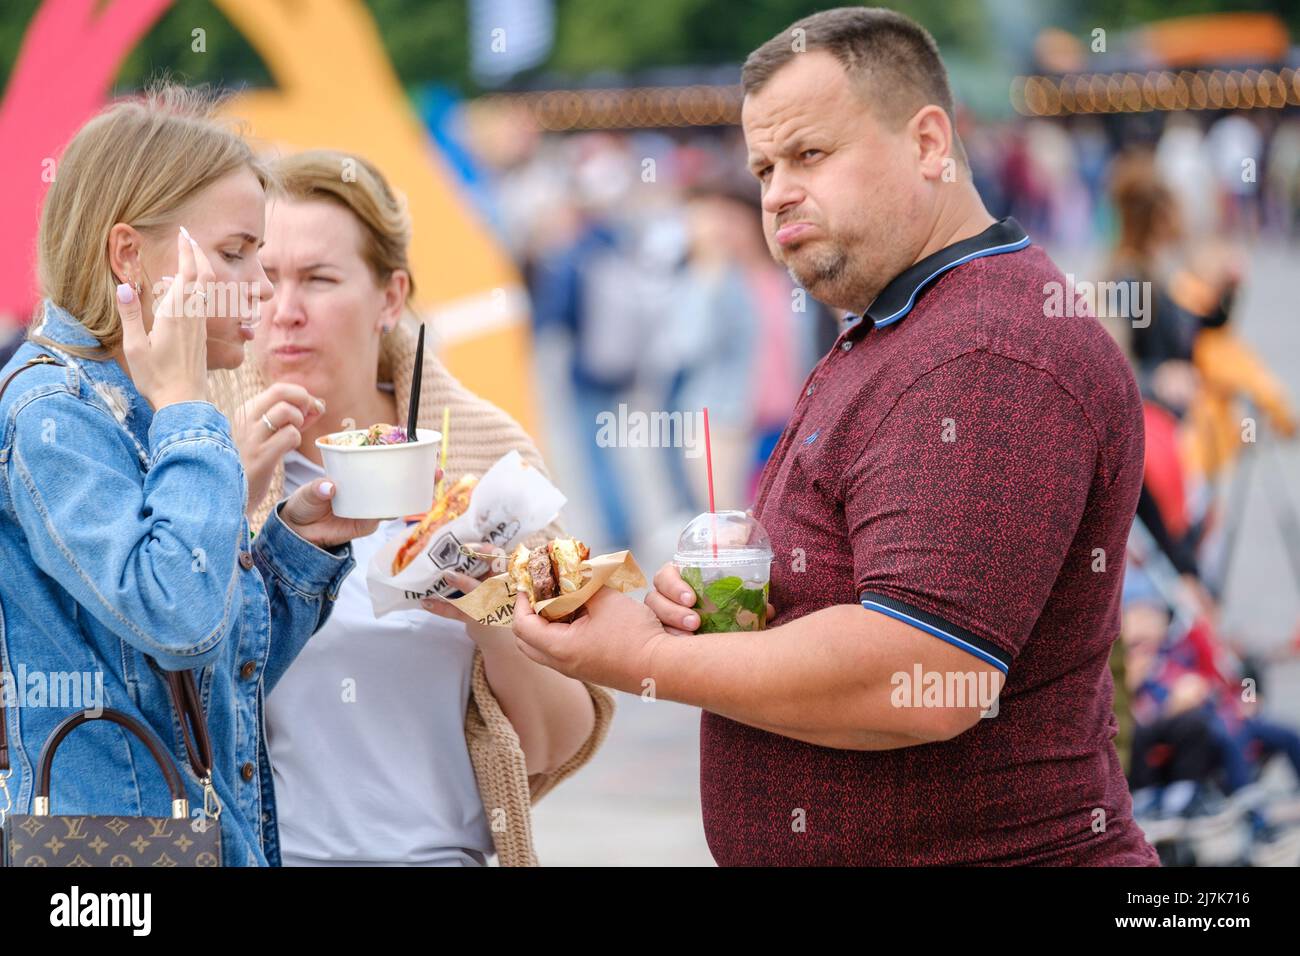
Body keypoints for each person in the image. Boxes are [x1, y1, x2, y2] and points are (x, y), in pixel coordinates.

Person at [510, 7, 1158, 865]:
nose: (776, 191)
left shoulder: (983, 351)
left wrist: (643, 656)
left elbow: (924, 676)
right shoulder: (912, 318)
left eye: (810, 154)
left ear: (930, 143)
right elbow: (866, 599)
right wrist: (738, 608)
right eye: (765, 166)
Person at [0, 85, 374, 867]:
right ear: (128, 254)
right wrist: (187, 410)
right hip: (114, 871)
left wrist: (296, 544)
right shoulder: (49, 414)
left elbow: (216, 681)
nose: (264, 289)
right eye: (237, 253)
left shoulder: (128, 404)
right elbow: (177, 616)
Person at [208, 150, 612, 867]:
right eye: (265, 281)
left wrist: (490, 617)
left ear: (390, 298)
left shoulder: (483, 456)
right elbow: (155, 697)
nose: (286, 312)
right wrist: (223, 501)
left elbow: (562, 739)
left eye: (320, 279)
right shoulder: (203, 454)